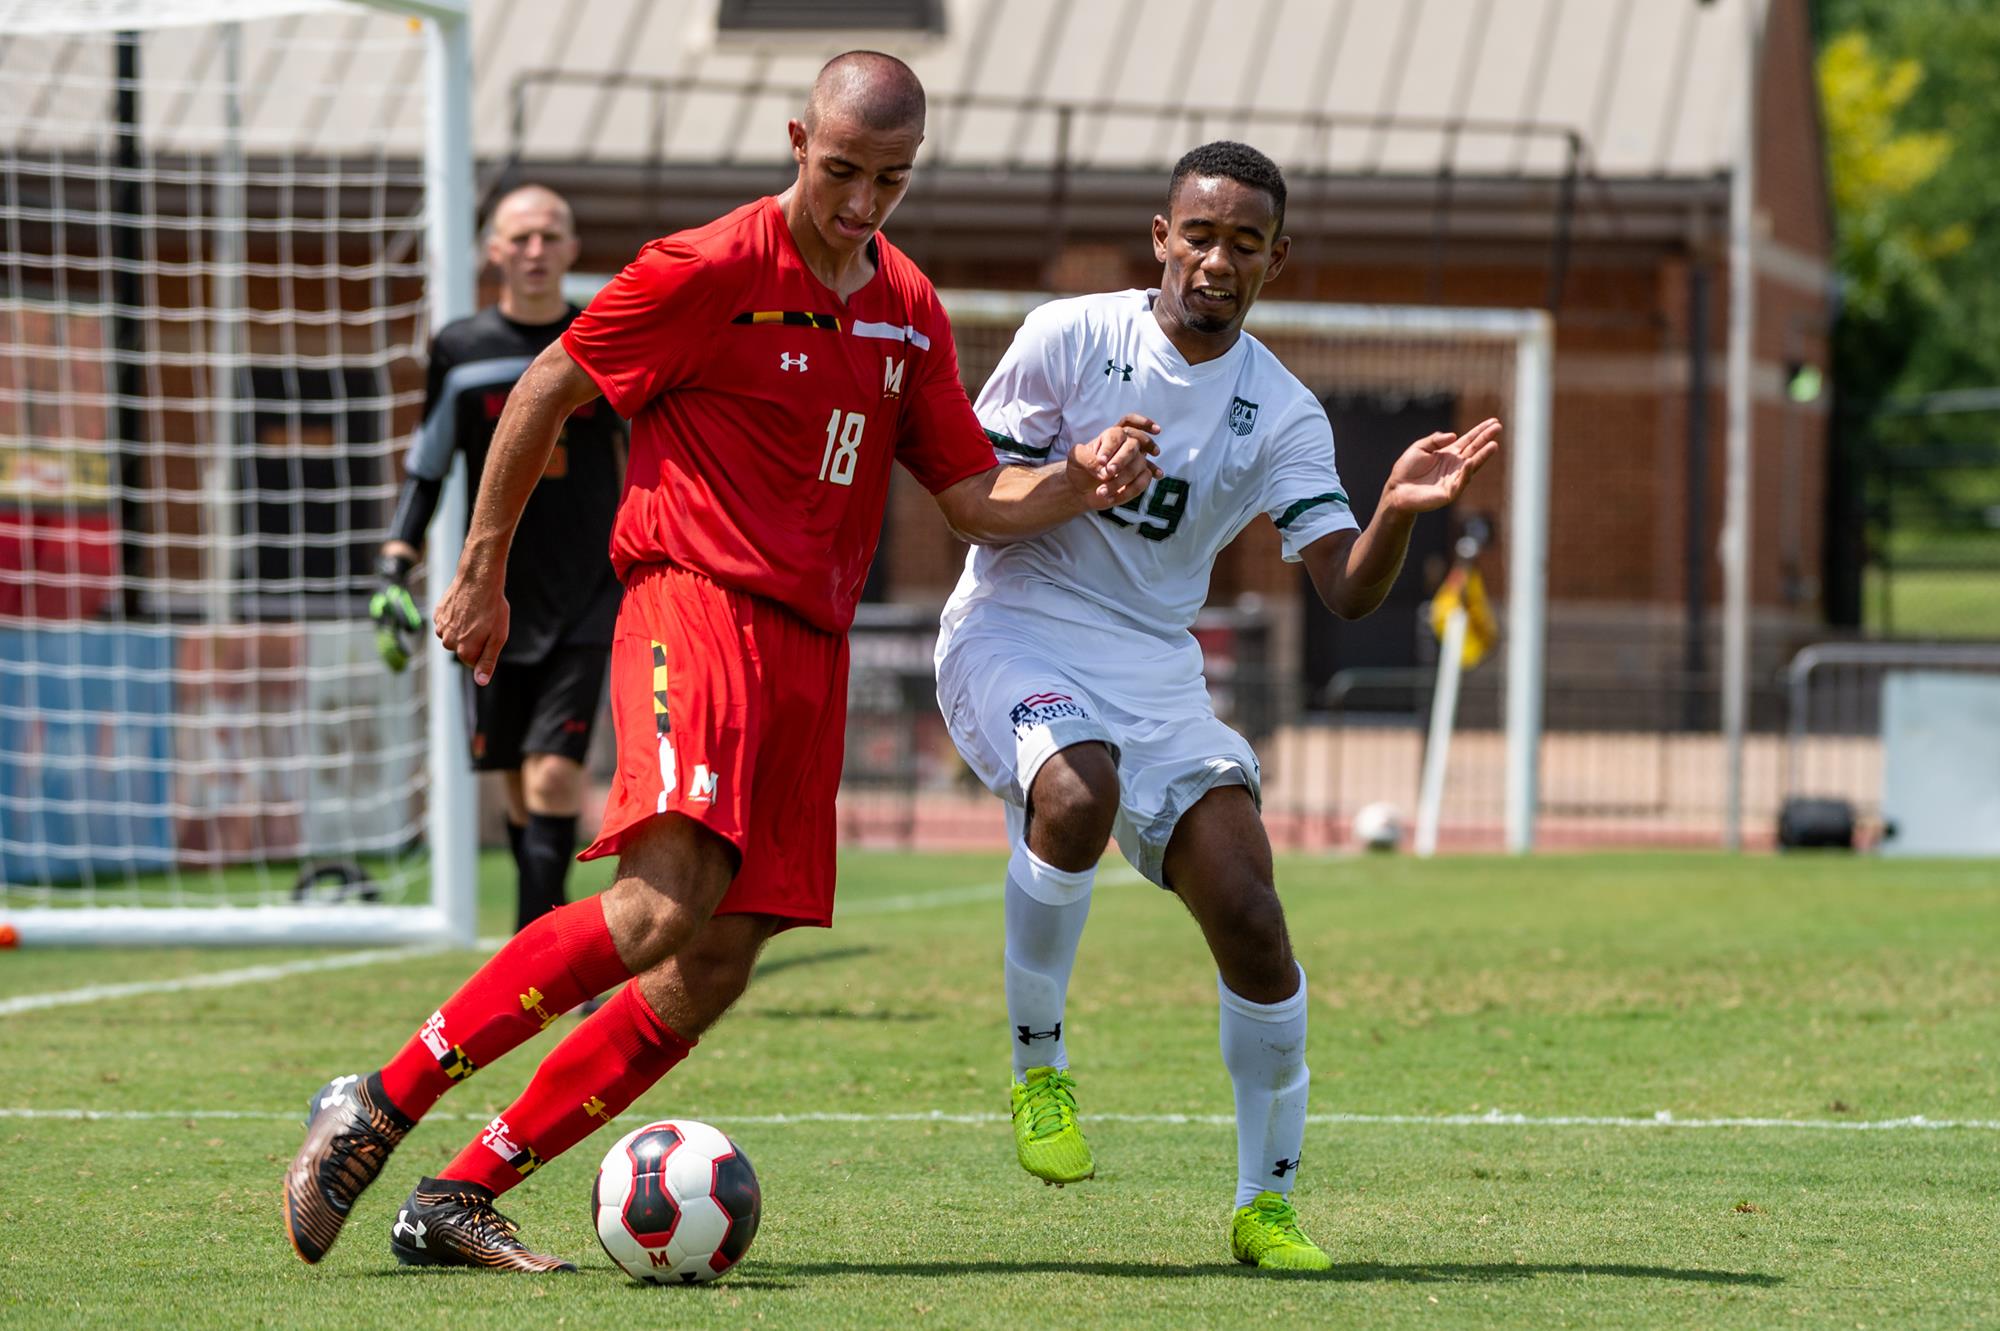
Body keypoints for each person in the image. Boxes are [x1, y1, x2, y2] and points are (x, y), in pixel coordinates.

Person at [283, 50, 1160, 1273]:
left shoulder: (906, 307)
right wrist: (479, 568)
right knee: (658, 903)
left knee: (713, 961)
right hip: (691, 605)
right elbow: (544, 390)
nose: (862, 202)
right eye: (843, 170)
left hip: (812, 648)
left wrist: (1075, 480)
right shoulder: (706, 268)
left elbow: (969, 494)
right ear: (798, 140)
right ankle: (373, 1105)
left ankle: (458, 1192)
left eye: (891, 180)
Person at [932, 140, 1502, 1271]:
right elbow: (970, 506)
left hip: (1153, 666)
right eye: (1198, 234)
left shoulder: (1282, 409)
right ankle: (1039, 1068)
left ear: (1273, 259)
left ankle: (1264, 1202)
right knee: (1076, 784)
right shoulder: (1068, 338)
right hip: (1014, 626)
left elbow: (1343, 589)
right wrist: (1074, 479)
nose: (1215, 259)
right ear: (1161, 237)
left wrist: (1394, 508)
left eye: (1244, 242)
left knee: (1249, 907)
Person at [371, 184, 623, 933]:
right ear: (493, 252)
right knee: (516, 784)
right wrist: (395, 561)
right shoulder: (460, 349)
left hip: (587, 592)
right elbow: (428, 465)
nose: (536, 250)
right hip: (489, 598)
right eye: (521, 237)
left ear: (574, 250)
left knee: (554, 776)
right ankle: (541, 941)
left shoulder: (606, 338)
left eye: (551, 235)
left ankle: (535, 963)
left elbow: (645, 449)